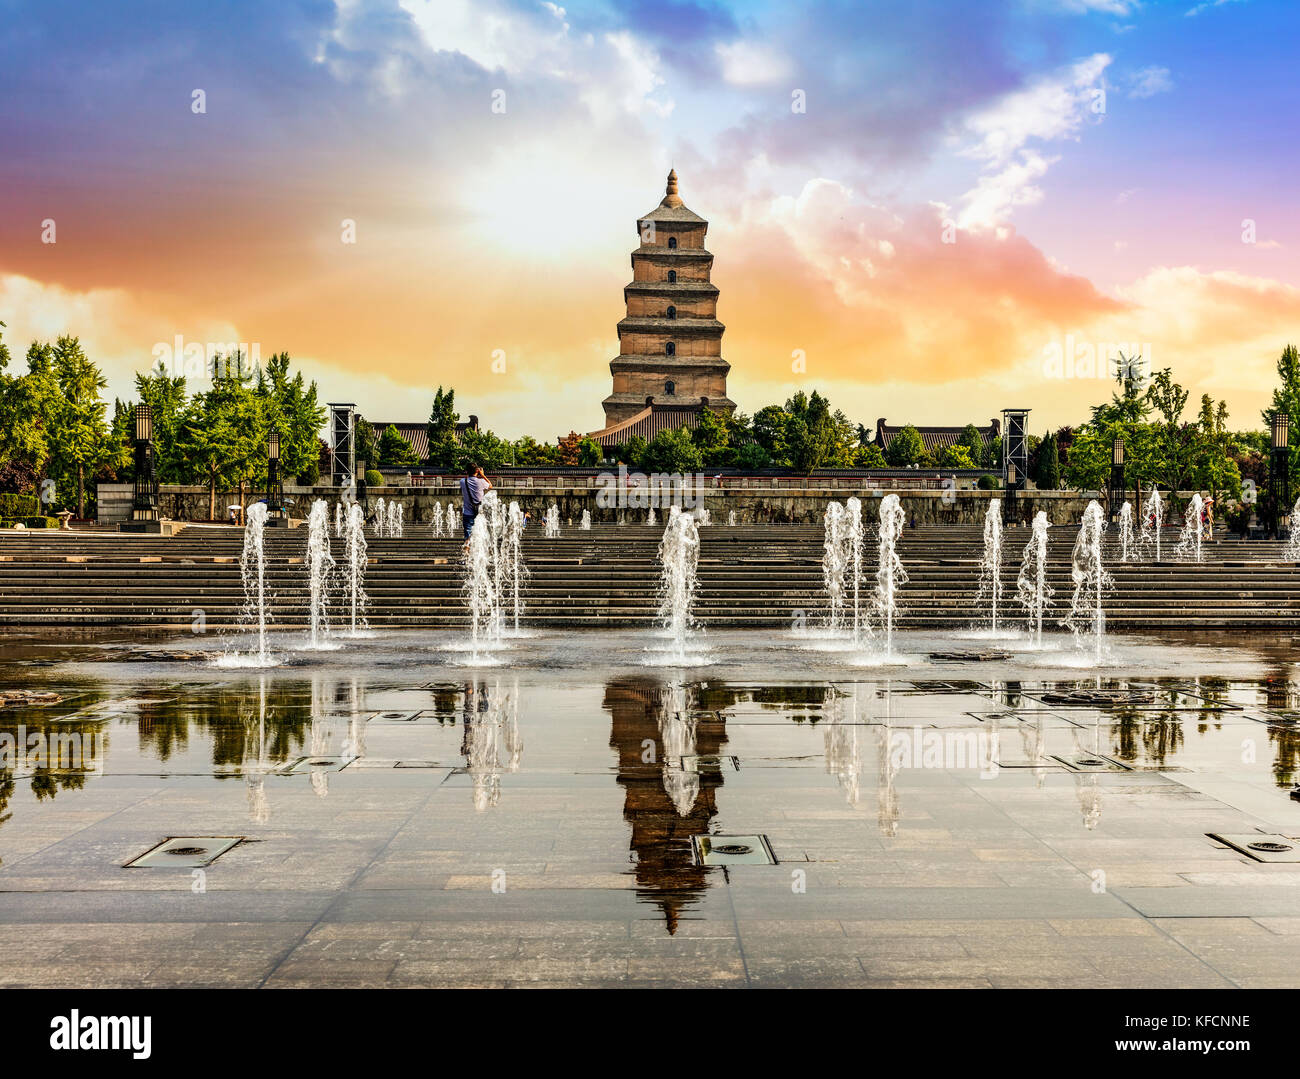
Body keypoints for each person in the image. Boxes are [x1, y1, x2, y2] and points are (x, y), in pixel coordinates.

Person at [458, 462, 492, 542]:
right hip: (479, 512)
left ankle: (467, 552)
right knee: (481, 535)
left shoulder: (462, 481)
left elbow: (467, 477)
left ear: (467, 471)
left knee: (468, 537)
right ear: (477, 470)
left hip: (467, 512)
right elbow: (490, 485)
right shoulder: (481, 482)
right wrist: (482, 475)